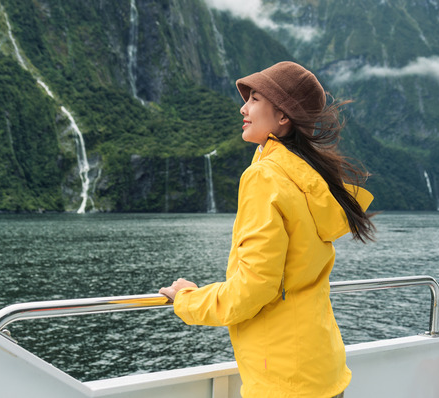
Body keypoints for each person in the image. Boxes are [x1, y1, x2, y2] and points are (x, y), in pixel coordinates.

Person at [159, 61, 375, 397]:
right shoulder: (308, 178)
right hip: (322, 370)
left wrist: (188, 299)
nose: (243, 107)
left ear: (283, 116)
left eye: (255, 99)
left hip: (283, 380)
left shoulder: (266, 178)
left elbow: (254, 288)